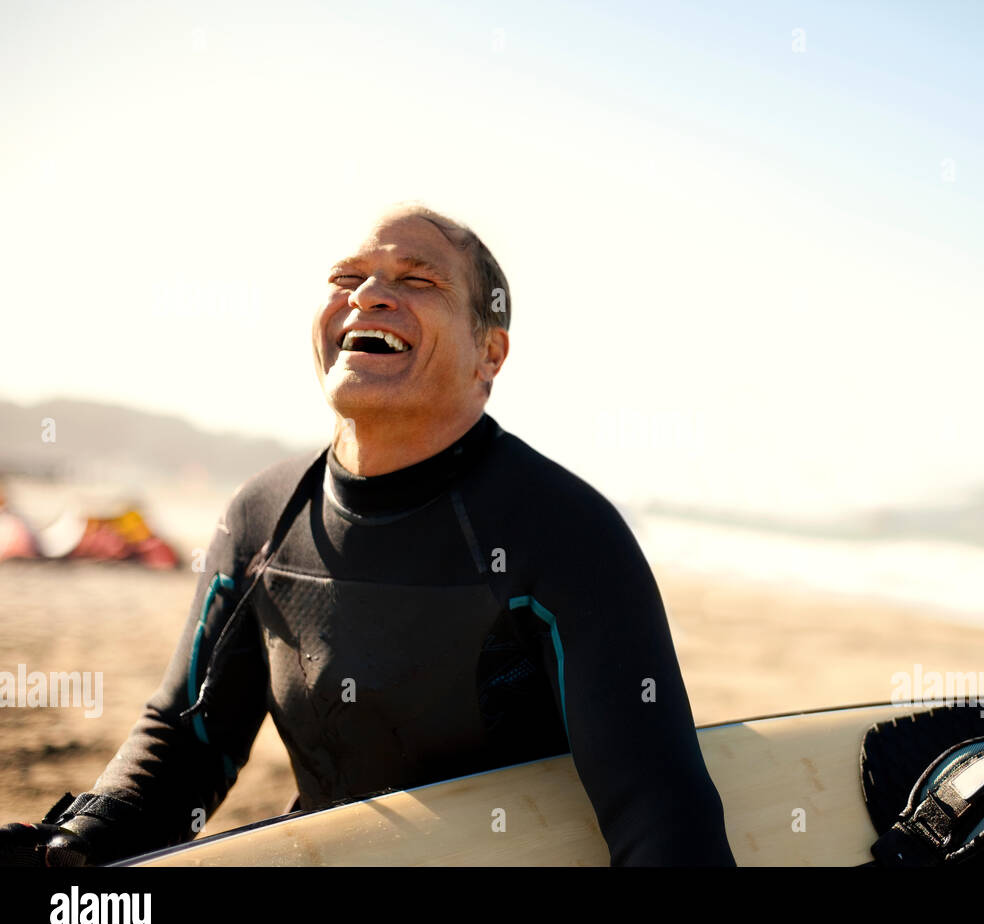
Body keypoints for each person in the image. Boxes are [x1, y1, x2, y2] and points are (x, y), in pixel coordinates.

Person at [0, 203, 736, 867]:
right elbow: (185, 743)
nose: (367, 294)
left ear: (491, 354)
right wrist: (76, 846)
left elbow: (658, 813)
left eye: (419, 281)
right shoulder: (261, 517)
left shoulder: (567, 533)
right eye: (347, 276)